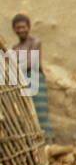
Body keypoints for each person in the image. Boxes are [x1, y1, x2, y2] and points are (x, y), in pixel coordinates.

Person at [11, 13, 54, 142]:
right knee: (25, 112)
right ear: (14, 29)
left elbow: (32, 63)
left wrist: (14, 68)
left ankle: (47, 141)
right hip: (21, 82)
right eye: (18, 28)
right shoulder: (15, 48)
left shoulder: (35, 42)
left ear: (29, 27)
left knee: (40, 111)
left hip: (35, 81)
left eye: (23, 27)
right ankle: (31, 141)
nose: (21, 30)